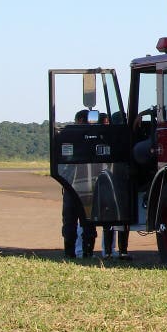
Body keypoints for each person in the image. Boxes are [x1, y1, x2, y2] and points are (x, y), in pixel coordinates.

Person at [61, 109, 97, 258]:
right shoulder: (95, 136)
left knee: (70, 220)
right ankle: (87, 252)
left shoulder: (68, 136)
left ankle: (69, 253)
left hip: (70, 185)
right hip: (88, 186)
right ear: (84, 120)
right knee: (87, 221)